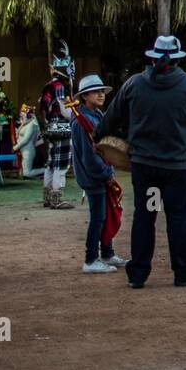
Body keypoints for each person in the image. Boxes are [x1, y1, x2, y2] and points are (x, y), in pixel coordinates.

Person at [96, 35, 186, 289]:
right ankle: (184, 272)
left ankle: (137, 274)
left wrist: (100, 141)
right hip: (178, 170)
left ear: (151, 56)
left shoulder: (134, 84)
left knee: (145, 217)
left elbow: (111, 118)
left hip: (145, 168)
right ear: (179, 58)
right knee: (178, 219)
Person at [70, 74, 125, 274]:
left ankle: (108, 253)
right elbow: (89, 157)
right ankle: (90, 258)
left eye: (102, 91)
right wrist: (105, 173)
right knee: (98, 217)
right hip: (94, 177)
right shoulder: (81, 122)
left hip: (101, 174)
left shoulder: (96, 116)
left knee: (106, 214)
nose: (101, 95)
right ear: (85, 96)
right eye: (96, 92)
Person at [38, 40, 76, 210]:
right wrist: (75, 114)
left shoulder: (48, 85)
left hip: (50, 128)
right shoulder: (60, 86)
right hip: (61, 127)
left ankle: (47, 197)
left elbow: (44, 109)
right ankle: (56, 199)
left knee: (51, 163)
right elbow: (63, 109)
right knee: (60, 164)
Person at [14, 105, 44, 178]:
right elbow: (18, 133)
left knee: (26, 173)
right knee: (25, 172)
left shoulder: (32, 124)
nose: (21, 115)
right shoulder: (26, 123)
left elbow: (26, 139)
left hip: (28, 151)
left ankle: (46, 170)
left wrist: (15, 147)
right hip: (24, 150)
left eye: (23, 113)